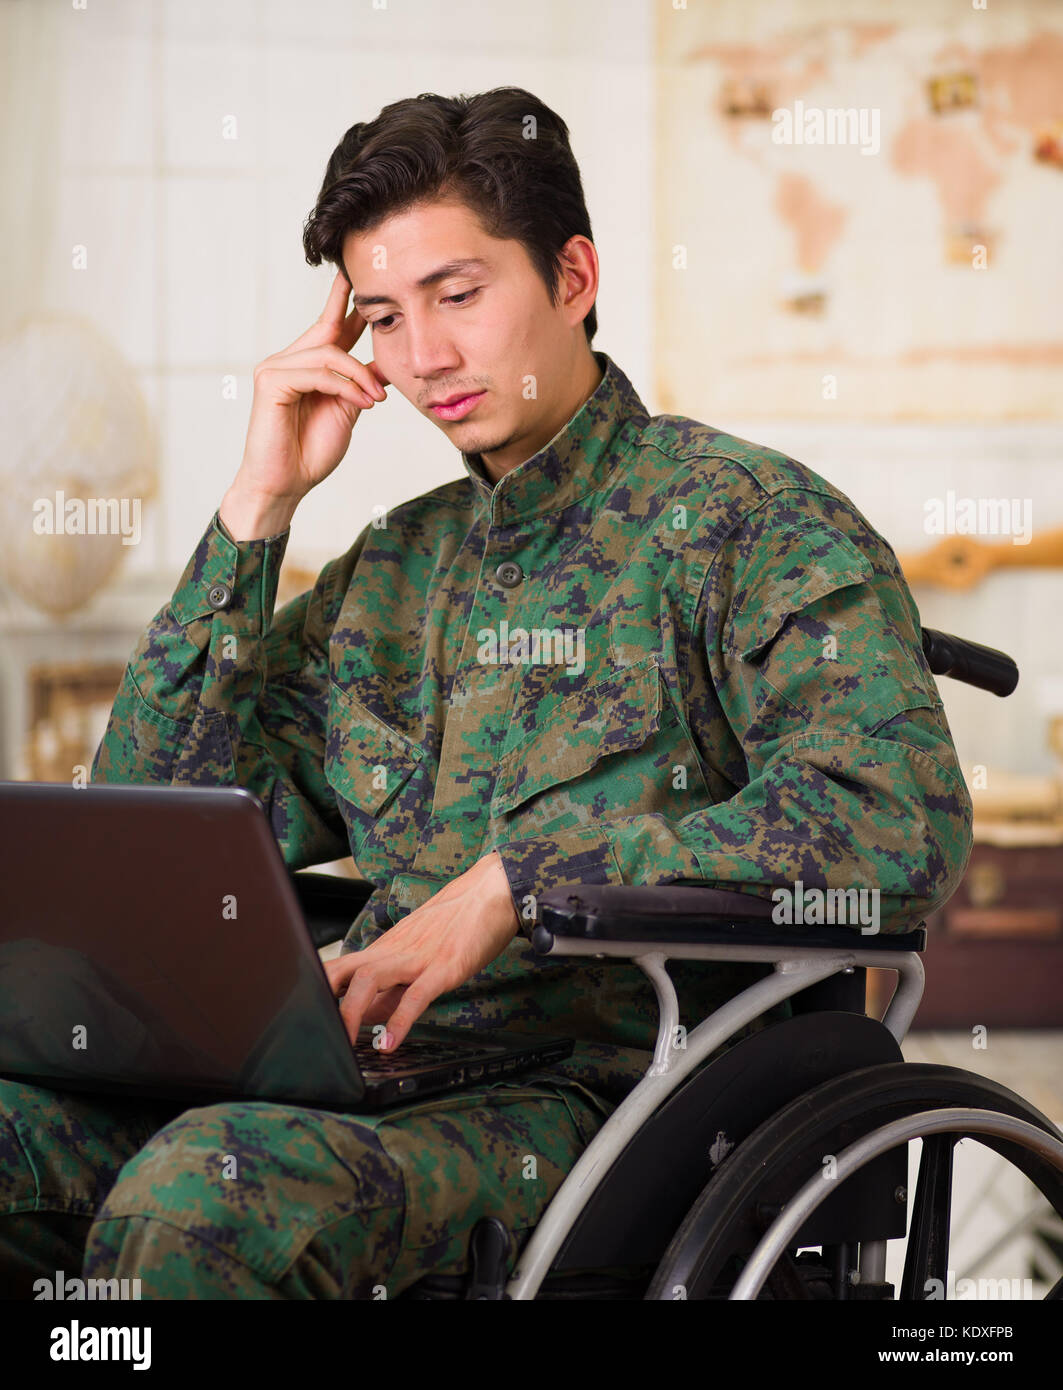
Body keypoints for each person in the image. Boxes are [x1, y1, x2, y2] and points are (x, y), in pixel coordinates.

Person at [0, 87, 973, 1300]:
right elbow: (157, 833)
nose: (422, 359)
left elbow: (894, 819)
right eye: (382, 318)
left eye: (458, 296)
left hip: (606, 1107)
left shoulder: (748, 525)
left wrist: (522, 882)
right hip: (356, 1081)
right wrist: (256, 512)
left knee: (207, 1195)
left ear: (572, 273)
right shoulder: (388, 573)